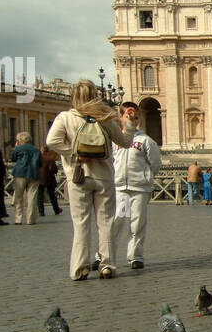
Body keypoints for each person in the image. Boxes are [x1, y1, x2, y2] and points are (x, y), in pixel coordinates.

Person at [45, 79, 133, 280]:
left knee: (81, 224)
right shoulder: (104, 118)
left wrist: (74, 154)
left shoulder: (65, 117)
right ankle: (107, 265)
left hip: (78, 177)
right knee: (106, 223)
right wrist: (128, 125)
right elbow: (125, 142)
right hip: (103, 178)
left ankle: (80, 268)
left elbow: (52, 141)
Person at [112, 101, 161, 270]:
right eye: (129, 116)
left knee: (137, 223)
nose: (133, 119)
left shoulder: (146, 140)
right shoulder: (114, 140)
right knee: (116, 221)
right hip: (119, 187)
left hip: (139, 188)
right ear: (121, 117)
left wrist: (146, 177)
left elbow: (155, 163)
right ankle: (105, 256)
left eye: (137, 117)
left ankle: (135, 256)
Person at [10, 132, 43, 225]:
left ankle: (18, 218)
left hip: (20, 173)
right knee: (32, 197)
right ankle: (31, 219)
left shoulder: (19, 148)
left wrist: (16, 147)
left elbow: (13, 158)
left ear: (20, 140)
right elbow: (40, 163)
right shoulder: (36, 150)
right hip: (34, 174)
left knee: (18, 196)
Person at [38, 148, 62, 216]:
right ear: (47, 151)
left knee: (40, 195)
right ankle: (56, 209)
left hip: (39, 178)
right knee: (52, 195)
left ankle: (41, 211)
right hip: (49, 178)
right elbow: (54, 170)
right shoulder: (50, 159)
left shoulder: (38, 158)